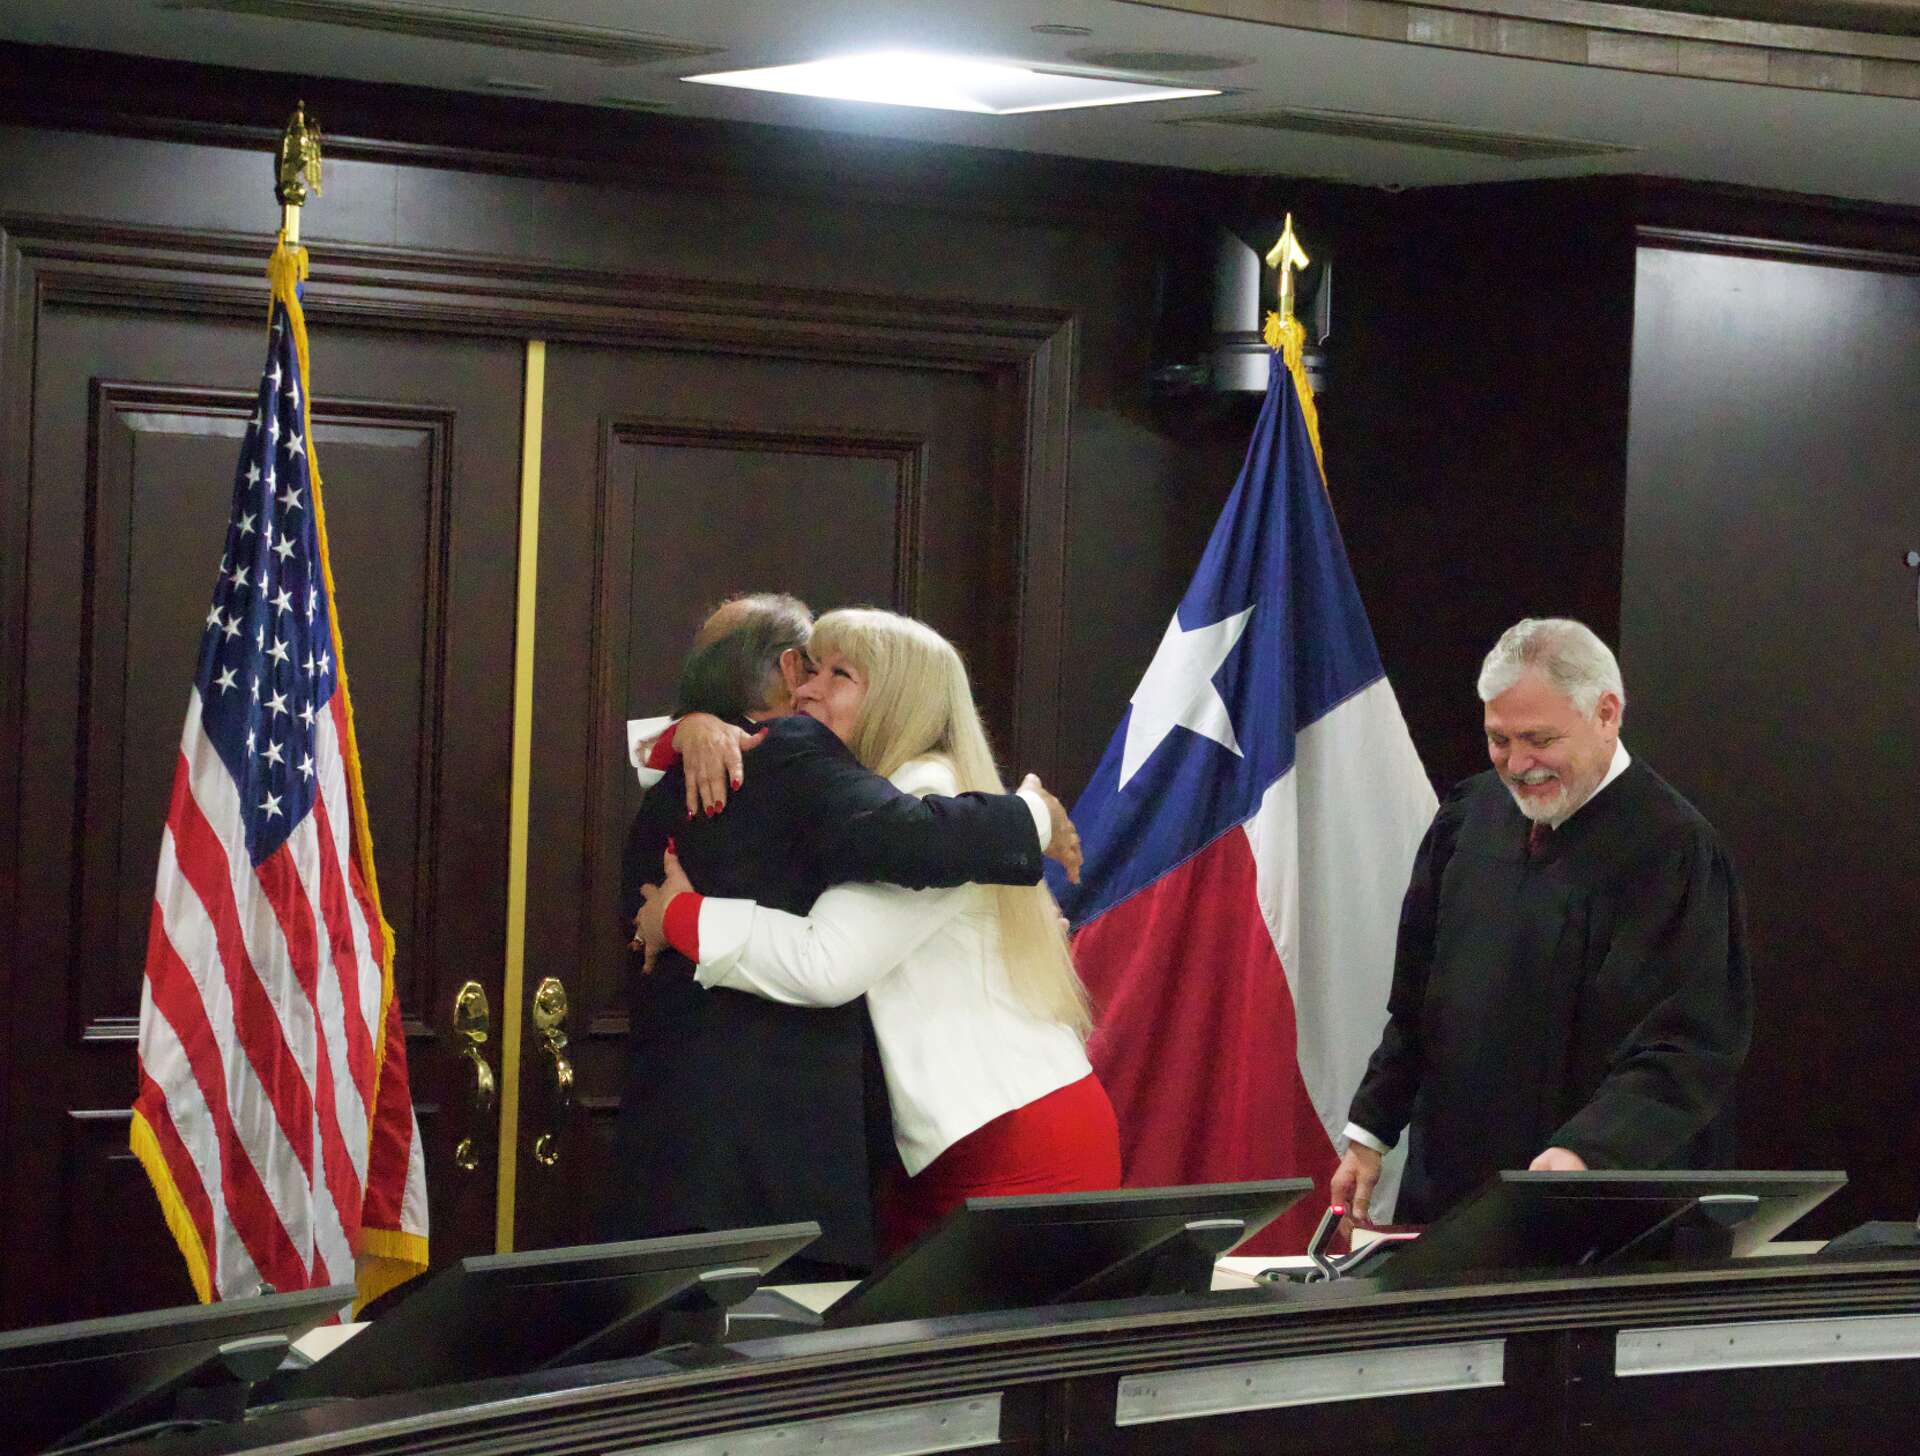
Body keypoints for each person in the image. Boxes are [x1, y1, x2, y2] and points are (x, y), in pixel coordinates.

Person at [602, 593, 1081, 1274]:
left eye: (841, 673)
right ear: (789, 666)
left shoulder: (677, 776)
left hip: (678, 1157)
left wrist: (688, 731)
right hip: (776, 1166)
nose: (815, 687)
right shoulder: (791, 753)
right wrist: (1034, 812)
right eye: (813, 667)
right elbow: (910, 840)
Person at [1330, 617, 1752, 1227]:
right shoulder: (1470, 818)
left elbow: (1686, 1044)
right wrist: (1370, 1130)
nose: (1518, 764)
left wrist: (1586, 1151)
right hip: (1455, 1195)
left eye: (1539, 739)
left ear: (1607, 713)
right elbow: (1420, 1002)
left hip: (1593, 1206)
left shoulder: (1673, 851)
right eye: (1499, 739)